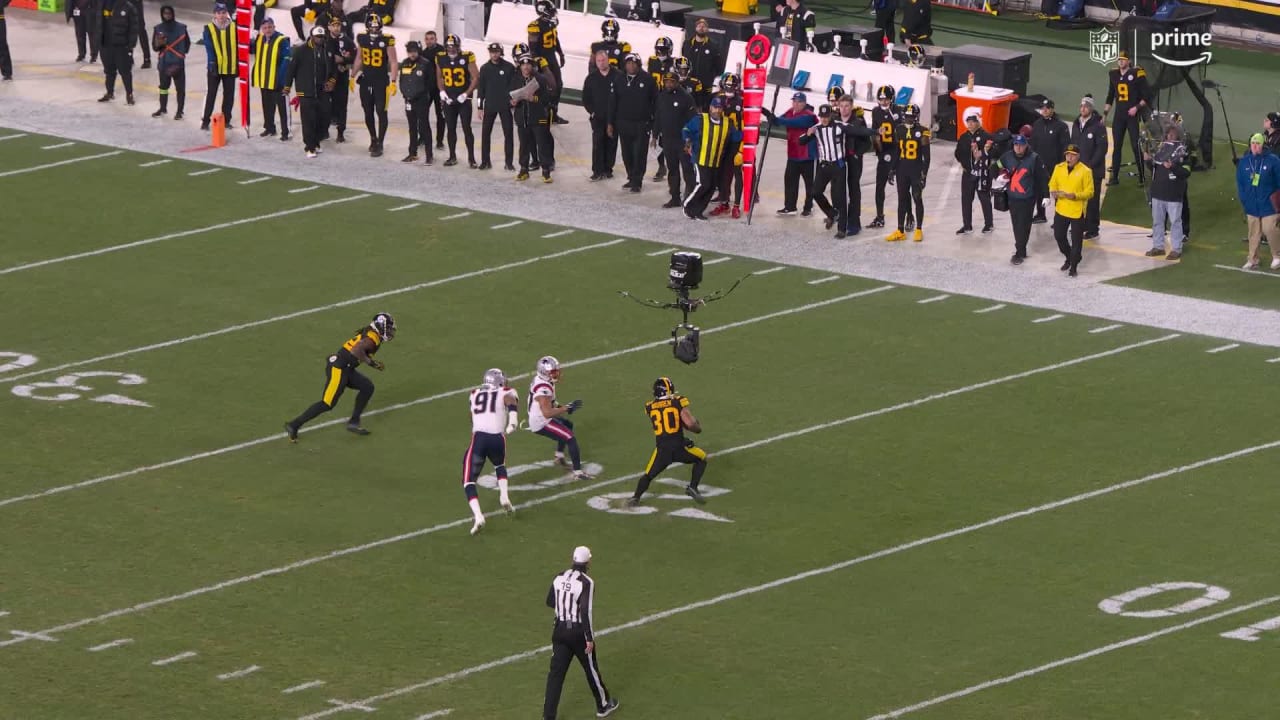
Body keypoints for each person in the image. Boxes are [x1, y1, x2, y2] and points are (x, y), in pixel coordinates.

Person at [283, 312, 395, 441]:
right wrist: (373, 363)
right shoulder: (372, 338)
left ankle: (354, 422)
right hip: (339, 369)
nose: (390, 331)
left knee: (367, 387)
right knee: (327, 403)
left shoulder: (371, 333)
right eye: (388, 327)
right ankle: (294, 425)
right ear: (380, 326)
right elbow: (356, 350)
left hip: (347, 368)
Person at [542, 546, 620, 720]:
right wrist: (589, 638)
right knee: (591, 669)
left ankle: (548, 716)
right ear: (587, 561)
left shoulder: (559, 576)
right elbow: (585, 612)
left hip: (560, 630)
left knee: (555, 675)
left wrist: (564, 609)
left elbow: (549, 601)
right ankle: (603, 705)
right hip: (577, 633)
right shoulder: (587, 583)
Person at [628, 377, 708, 505]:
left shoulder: (649, 407)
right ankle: (693, 487)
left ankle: (635, 498)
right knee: (701, 458)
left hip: (662, 450)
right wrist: (697, 429)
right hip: (679, 447)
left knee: (648, 475)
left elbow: (667, 423)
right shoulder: (678, 402)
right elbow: (690, 423)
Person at [462, 368, 518, 536]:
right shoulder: (506, 391)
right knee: (500, 465)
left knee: (468, 481)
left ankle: (478, 516)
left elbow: (473, 416)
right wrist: (512, 422)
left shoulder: (474, 394)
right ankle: (504, 496)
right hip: (497, 439)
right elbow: (510, 400)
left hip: (479, 439)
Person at [526, 356, 592, 478]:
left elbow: (551, 402)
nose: (557, 373)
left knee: (568, 425)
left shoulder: (543, 381)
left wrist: (561, 407)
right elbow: (547, 413)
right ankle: (578, 472)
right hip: (541, 421)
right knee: (570, 438)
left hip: (540, 416)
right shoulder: (543, 388)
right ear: (545, 373)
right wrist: (566, 407)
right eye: (553, 371)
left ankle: (559, 456)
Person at [683, 96, 742, 220]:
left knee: (710, 187)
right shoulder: (700, 119)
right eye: (715, 107)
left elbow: (737, 137)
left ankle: (698, 211)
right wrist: (687, 140)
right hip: (700, 158)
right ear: (710, 107)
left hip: (715, 161)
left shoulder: (727, 123)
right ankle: (688, 205)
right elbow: (686, 129)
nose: (717, 110)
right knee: (703, 184)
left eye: (720, 108)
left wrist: (750, 129)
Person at [799, 104, 849, 238]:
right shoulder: (817, 129)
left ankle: (842, 228)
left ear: (831, 115)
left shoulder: (839, 126)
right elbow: (801, 141)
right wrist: (808, 134)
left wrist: (875, 132)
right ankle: (832, 214)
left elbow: (859, 131)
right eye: (822, 117)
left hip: (838, 165)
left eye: (826, 117)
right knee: (815, 192)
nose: (824, 119)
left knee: (840, 196)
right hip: (824, 166)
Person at [764, 92, 816, 217]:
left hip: (806, 155)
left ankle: (808, 206)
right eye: (794, 101)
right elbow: (778, 121)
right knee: (790, 180)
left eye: (799, 102)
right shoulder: (790, 112)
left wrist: (776, 119)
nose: (796, 104)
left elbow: (794, 123)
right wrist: (768, 115)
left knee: (809, 183)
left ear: (804, 103)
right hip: (793, 153)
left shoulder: (809, 116)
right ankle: (790, 206)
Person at [285, 26, 335, 157]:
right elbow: (291, 69)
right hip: (306, 90)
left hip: (322, 90)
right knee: (308, 120)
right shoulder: (300, 50)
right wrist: (287, 86)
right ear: (312, 36)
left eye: (322, 37)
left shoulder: (327, 51)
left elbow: (333, 70)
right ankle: (309, 146)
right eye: (318, 37)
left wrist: (331, 81)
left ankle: (316, 141)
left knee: (324, 117)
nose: (320, 39)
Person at [352, 13, 397, 157]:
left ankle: (381, 143)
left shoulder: (387, 40)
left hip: (381, 81)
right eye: (371, 27)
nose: (374, 29)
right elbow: (359, 58)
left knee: (381, 111)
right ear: (367, 27)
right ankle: (373, 138)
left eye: (376, 27)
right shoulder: (362, 38)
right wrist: (352, 76)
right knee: (367, 111)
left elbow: (393, 61)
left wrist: (394, 81)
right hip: (366, 80)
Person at [997, 134, 1046, 265]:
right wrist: (999, 176)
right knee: (1016, 224)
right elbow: (995, 166)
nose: (1018, 148)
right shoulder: (1007, 156)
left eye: (1021, 145)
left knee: (1023, 225)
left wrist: (1045, 195)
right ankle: (1020, 248)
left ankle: (1020, 251)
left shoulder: (1034, 159)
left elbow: (1042, 178)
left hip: (1027, 199)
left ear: (1026, 145)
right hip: (1012, 198)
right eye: (1016, 145)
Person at [1104, 50, 1151, 186]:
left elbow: (1147, 95)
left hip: (1132, 115)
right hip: (1119, 115)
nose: (1121, 61)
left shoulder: (1137, 73)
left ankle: (1142, 177)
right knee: (1116, 146)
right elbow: (1110, 95)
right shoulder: (1113, 74)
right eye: (1119, 59)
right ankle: (1115, 177)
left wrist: (1136, 107)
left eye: (1123, 59)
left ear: (1129, 61)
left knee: (1136, 146)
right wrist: (1105, 114)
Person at [1048, 144, 1094, 277]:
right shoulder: (1059, 168)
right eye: (1068, 154)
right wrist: (1053, 192)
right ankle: (1070, 257)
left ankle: (1073, 266)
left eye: (1073, 155)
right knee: (1059, 236)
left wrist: (1075, 196)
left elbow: (1090, 192)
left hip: (1076, 211)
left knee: (1076, 241)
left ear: (1078, 156)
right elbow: (1052, 183)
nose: (1069, 157)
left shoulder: (1086, 171)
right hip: (1061, 209)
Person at [1144, 129, 1191, 260]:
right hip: (1158, 191)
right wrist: (1148, 161)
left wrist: (1172, 167)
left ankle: (1176, 249)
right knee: (1157, 221)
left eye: (1172, 133)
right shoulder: (1161, 149)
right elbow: (1154, 169)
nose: (1169, 135)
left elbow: (1186, 173)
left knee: (1175, 222)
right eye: (1168, 133)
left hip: (1173, 193)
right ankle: (1158, 246)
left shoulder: (1183, 151)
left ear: (1178, 135)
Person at [653, 71, 697, 208]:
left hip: (682, 141)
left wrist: (689, 141)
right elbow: (658, 117)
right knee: (672, 170)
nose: (669, 84)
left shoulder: (686, 97)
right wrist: (654, 135)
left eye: (671, 82)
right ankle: (675, 197)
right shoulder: (661, 96)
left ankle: (690, 197)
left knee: (687, 170)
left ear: (677, 82)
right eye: (666, 81)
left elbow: (693, 120)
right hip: (667, 140)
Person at [1237, 133, 1280, 270]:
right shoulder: (1244, 162)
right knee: (1253, 233)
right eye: (1253, 143)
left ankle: (1277, 256)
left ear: (1263, 145)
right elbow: (1240, 184)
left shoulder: (1273, 160)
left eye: (1258, 143)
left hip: (1269, 203)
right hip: (1252, 204)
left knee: (1270, 229)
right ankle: (1252, 259)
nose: (1255, 146)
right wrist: (1244, 200)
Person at [886, 103, 929, 242]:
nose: (909, 119)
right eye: (907, 116)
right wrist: (892, 169)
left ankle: (919, 229)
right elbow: (897, 152)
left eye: (911, 116)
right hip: (902, 169)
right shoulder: (899, 129)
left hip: (916, 169)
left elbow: (926, 156)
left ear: (916, 117)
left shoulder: (923, 131)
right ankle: (900, 230)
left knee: (917, 198)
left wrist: (924, 174)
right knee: (902, 199)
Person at [615, 53, 656, 193]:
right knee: (626, 153)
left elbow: (655, 102)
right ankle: (631, 177)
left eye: (633, 63)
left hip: (641, 123)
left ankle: (637, 181)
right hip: (624, 123)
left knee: (639, 153)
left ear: (638, 65)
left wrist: (652, 123)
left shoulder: (648, 80)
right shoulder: (619, 79)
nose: (631, 66)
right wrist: (612, 122)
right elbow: (613, 101)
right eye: (628, 63)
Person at [869, 84, 908, 229]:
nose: (883, 102)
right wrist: (878, 148)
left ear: (892, 99)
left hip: (898, 151)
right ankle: (880, 217)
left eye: (886, 99)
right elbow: (875, 133)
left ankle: (909, 217)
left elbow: (904, 133)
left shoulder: (898, 111)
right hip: (885, 152)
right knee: (880, 186)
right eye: (881, 99)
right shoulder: (876, 111)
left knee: (903, 188)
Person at [437, 33, 478, 167]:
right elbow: (439, 77)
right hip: (449, 99)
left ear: (458, 46)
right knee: (451, 128)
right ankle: (452, 156)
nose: (451, 49)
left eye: (453, 46)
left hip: (463, 99)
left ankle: (471, 158)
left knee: (467, 128)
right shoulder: (440, 58)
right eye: (449, 47)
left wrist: (466, 94)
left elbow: (476, 78)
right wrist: (442, 91)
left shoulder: (467, 56)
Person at [512, 55, 555, 182]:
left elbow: (547, 98)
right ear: (520, 66)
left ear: (532, 66)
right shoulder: (515, 79)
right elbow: (509, 94)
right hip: (522, 118)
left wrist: (534, 99)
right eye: (523, 65)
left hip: (539, 118)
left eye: (528, 64)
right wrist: (512, 101)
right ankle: (523, 170)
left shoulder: (540, 79)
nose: (525, 67)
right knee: (524, 145)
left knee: (542, 145)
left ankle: (546, 172)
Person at [1070, 94, 1108, 239]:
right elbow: (1072, 145)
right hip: (1077, 169)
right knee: (1078, 199)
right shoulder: (1076, 123)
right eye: (1081, 106)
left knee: (1092, 200)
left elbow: (1102, 149)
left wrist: (1090, 166)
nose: (1083, 108)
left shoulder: (1098, 125)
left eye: (1086, 106)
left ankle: (1093, 228)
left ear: (1091, 108)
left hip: (1093, 171)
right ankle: (1080, 225)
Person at [477, 41, 516, 171]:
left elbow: (514, 86)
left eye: (497, 52)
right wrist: (479, 107)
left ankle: (509, 162)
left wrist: (513, 100)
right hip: (490, 106)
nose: (494, 54)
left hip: (505, 106)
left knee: (508, 134)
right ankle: (485, 161)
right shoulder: (484, 68)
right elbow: (481, 89)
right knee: (485, 134)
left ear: (501, 52)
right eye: (492, 52)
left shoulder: (509, 67)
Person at [710, 73, 745, 218]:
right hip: (722, 141)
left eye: (732, 85)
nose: (730, 87)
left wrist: (742, 149)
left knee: (737, 174)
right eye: (728, 84)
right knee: (722, 175)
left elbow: (746, 126)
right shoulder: (718, 99)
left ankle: (736, 205)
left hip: (736, 141)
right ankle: (724, 203)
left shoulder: (742, 101)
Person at [582, 50, 619, 181]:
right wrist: (592, 112)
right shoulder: (591, 78)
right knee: (598, 143)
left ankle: (608, 169)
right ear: (595, 62)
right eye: (598, 61)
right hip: (597, 118)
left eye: (603, 60)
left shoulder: (618, 76)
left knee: (611, 143)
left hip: (613, 118)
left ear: (608, 60)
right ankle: (597, 171)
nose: (601, 63)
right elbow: (585, 98)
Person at [1030, 98, 1068, 224]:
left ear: (1052, 109)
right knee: (1040, 190)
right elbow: (1032, 145)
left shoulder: (1061, 126)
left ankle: (1059, 218)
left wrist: (1063, 164)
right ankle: (1041, 214)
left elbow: (1065, 147)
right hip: (1040, 164)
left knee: (1057, 192)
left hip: (1056, 166)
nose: (1045, 110)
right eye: (1043, 108)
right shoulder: (1037, 124)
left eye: (1047, 108)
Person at [252, 18, 291, 139]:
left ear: (274, 27)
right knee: (267, 106)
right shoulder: (259, 39)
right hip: (264, 80)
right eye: (265, 28)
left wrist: (282, 79)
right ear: (262, 29)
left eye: (269, 27)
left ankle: (286, 132)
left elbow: (286, 61)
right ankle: (269, 128)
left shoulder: (282, 40)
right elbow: (248, 49)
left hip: (278, 82)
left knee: (282, 108)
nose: (267, 30)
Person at [200, 4, 237, 129]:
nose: (221, 15)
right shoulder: (208, 28)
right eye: (219, 13)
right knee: (211, 94)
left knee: (229, 95)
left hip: (230, 67)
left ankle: (226, 120)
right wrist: (212, 63)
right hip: (214, 68)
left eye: (223, 12)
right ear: (214, 14)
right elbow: (209, 47)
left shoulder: (234, 27)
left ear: (227, 13)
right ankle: (205, 120)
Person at [528, 0, 566, 124]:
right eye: (550, 10)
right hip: (541, 59)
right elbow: (532, 48)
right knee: (547, 87)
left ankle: (553, 114)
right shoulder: (535, 26)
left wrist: (560, 53)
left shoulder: (551, 23)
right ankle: (541, 113)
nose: (553, 13)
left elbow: (556, 38)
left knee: (558, 85)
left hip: (551, 57)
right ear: (543, 12)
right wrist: (538, 62)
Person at [96, 0, 140, 104]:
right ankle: (109, 92)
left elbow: (134, 28)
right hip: (105, 45)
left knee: (125, 72)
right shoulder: (102, 4)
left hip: (121, 46)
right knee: (109, 71)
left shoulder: (128, 7)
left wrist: (130, 46)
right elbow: (98, 23)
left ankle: (129, 94)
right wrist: (97, 41)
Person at [150, 5, 189, 119]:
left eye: (169, 13)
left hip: (174, 63)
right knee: (163, 88)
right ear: (162, 14)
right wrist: (159, 44)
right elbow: (155, 47)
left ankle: (179, 111)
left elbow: (187, 44)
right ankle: (163, 108)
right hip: (166, 63)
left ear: (173, 14)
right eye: (165, 13)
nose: (167, 15)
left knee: (180, 89)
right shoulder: (158, 28)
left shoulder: (181, 28)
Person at [954, 114, 990, 234]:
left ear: (978, 122)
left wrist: (982, 155)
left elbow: (993, 152)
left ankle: (988, 224)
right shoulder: (964, 137)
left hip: (981, 174)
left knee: (984, 198)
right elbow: (957, 153)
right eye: (968, 122)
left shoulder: (985, 136)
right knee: (966, 199)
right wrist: (964, 164)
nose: (970, 124)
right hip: (967, 173)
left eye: (972, 122)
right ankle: (967, 225)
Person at [397, 40, 432, 163]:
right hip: (408, 100)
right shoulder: (404, 64)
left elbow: (429, 82)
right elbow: (402, 81)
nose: (412, 54)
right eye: (410, 52)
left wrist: (423, 94)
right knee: (412, 127)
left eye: (414, 51)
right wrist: (405, 95)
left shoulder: (425, 64)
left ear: (418, 51)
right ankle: (412, 153)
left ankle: (429, 156)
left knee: (424, 127)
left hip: (421, 100)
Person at [648, 37, 675, 181]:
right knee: (656, 136)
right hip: (655, 103)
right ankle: (661, 166)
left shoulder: (674, 63)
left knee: (667, 138)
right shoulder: (652, 61)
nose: (661, 52)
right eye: (659, 50)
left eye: (663, 50)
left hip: (669, 103)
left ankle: (671, 166)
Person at [325, 15, 355, 143]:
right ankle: (323, 130)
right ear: (329, 27)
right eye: (334, 25)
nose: (336, 28)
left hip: (342, 78)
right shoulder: (324, 40)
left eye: (338, 25)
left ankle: (340, 132)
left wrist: (344, 60)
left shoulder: (347, 41)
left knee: (342, 105)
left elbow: (355, 57)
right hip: (327, 76)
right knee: (325, 104)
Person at [421, 31, 446, 150]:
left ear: (436, 39)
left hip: (440, 89)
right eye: (427, 39)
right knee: (422, 114)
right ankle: (422, 138)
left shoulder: (443, 51)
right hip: (427, 89)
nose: (429, 41)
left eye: (431, 38)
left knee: (441, 115)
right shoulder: (423, 53)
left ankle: (440, 141)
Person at [67, 0, 101, 64]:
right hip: (77, 10)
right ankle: (81, 54)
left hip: (90, 10)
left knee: (92, 34)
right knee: (79, 33)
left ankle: (94, 55)